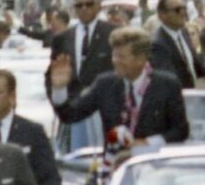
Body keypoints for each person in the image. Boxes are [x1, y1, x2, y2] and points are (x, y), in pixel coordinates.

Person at [46, 26, 190, 146]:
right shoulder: (105, 84)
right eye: (113, 55)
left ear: (141, 59)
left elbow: (180, 131)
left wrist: (145, 143)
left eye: (121, 57)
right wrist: (59, 89)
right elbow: (70, 115)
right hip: (115, 168)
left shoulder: (167, 84)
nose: (115, 61)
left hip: (153, 168)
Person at [51, 0, 112, 149]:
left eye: (89, 4)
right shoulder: (62, 39)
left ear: (98, 5)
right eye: (79, 6)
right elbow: (54, 77)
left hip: (104, 113)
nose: (84, 9)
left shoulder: (112, 34)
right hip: (73, 114)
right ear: (73, 9)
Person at [147, 0, 200, 88]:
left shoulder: (184, 32)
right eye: (177, 10)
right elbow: (168, 80)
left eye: (184, 8)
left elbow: (195, 67)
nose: (183, 13)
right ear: (162, 15)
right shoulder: (158, 44)